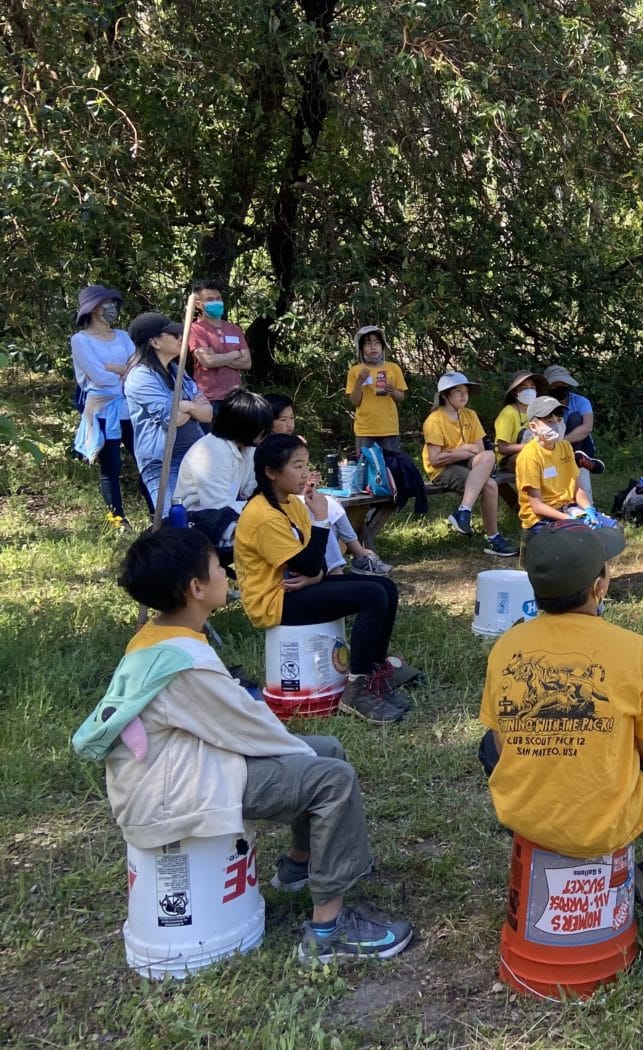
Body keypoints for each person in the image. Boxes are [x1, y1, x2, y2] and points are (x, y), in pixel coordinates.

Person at [71, 527, 413, 964]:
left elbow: (233, 723)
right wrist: (298, 755)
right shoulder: (186, 662)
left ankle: (297, 866)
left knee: (325, 749)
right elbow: (248, 728)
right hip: (171, 792)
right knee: (332, 778)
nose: (226, 573)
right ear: (196, 588)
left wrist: (301, 751)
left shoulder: (159, 637)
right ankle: (329, 930)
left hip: (177, 766)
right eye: (218, 568)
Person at [477, 521, 643, 945]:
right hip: (604, 824)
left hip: (525, 815)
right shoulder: (632, 649)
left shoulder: (507, 646)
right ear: (599, 586)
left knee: (487, 738)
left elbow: (500, 744)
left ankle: (539, 829)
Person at [234, 434, 413, 724]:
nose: (305, 474)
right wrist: (320, 521)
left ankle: (374, 678)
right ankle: (356, 690)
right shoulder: (262, 515)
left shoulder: (291, 503)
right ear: (271, 472)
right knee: (372, 596)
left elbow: (312, 562)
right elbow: (307, 560)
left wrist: (314, 576)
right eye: (297, 467)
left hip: (297, 587)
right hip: (275, 601)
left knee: (385, 587)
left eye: (306, 465)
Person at [263, 393, 394, 576]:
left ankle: (348, 562)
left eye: (292, 418)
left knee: (327, 507)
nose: (289, 424)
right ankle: (354, 558)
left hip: (295, 498)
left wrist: (306, 480)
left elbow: (296, 477)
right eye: (283, 419)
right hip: (283, 502)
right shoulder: (267, 449)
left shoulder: (293, 442)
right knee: (323, 513)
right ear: (269, 422)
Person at [70, 284, 148, 525]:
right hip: (102, 409)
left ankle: (157, 512)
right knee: (111, 465)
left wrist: (113, 368)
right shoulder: (81, 341)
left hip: (130, 408)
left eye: (112, 303)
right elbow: (99, 378)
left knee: (145, 460)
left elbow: (138, 367)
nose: (111, 307)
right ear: (93, 309)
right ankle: (118, 519)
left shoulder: (124, 336)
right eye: (106, 303)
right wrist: (120, 369)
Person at [123, 311, 214, 517]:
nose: (181, 338)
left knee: (205, 517)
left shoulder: (177, 370)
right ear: (155, 342)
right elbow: (173, 419)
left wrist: (186, 406)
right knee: (173, 521)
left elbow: (207, 414)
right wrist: (191, 407)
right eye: (174, 335)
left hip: (195, 458)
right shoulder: (140, 377)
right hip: (163, 462)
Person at [422, 371, 518, 557]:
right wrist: (464, 450)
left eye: (466, 391)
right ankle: (493, 538)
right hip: (442, 470)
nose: (464, 395)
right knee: (489, 484)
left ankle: (464, 511)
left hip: (465, 462)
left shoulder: (470, 415)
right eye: (458, 391)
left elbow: (480, 449)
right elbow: (436, 459)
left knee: (489, 455)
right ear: (445, 395)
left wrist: (456, 453)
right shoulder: (434, 420)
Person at [173, 389, 272, 558]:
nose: (266, 432)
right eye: (262, 427)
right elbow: (217, 505)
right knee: (274, 538)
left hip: (227, 516)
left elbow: (252, 490)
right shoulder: (213, 450)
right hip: (200, 522)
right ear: (245, 426)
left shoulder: (246, 449)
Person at [514, 396, 597, 537]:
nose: (556, 426)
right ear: (534, 427)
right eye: (549, 422)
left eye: (559, 420)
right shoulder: (529, 456)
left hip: (569, 509)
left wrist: (588, 509)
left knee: (606, 529)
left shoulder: (565, 446)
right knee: (577, 539)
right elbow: (536, 506)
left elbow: (578, 488)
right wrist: (570, 520)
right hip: (540, 519)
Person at [188, 279, 252, 417]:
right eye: (210, 299)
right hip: (209, 398)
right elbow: (208, 361)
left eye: (218, 299)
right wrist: (236, 354)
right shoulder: (195, 329)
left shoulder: (234, 329)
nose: (215, 302)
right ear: (199, 304)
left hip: (235, 397)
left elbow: (247, 363)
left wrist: (218, 358)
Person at [543, 364, 605, 500]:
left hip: (580, 445)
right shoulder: (543, 404)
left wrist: (561, 442)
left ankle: (577, 457)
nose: (559, 387)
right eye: (555, 385)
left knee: (576, 418)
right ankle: (576, 459)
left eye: (562, 384)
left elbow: (587, 427)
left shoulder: (581, 401)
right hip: (550, 447)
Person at [344, 325, 406, 452]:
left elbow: (401, 397)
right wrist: (359, 381)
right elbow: (354, 401)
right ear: (361, 348)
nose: (373, 347)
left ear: (383, 346)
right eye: (367, 343)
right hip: (365, 428)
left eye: (377, 343)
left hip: (389, 427)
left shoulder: (393, 368)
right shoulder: (355, 371)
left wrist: (393, 391)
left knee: (391, 466)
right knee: (367, 467)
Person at [492, 370, 546, 475]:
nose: (529, 391)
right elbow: (502, 448)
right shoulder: (508, 413)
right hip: (509, 459)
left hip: (536, 453)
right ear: (515, 392)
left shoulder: (538, 412)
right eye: (524, 388)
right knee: (533, 459)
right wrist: (533, 445)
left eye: (532, 387)